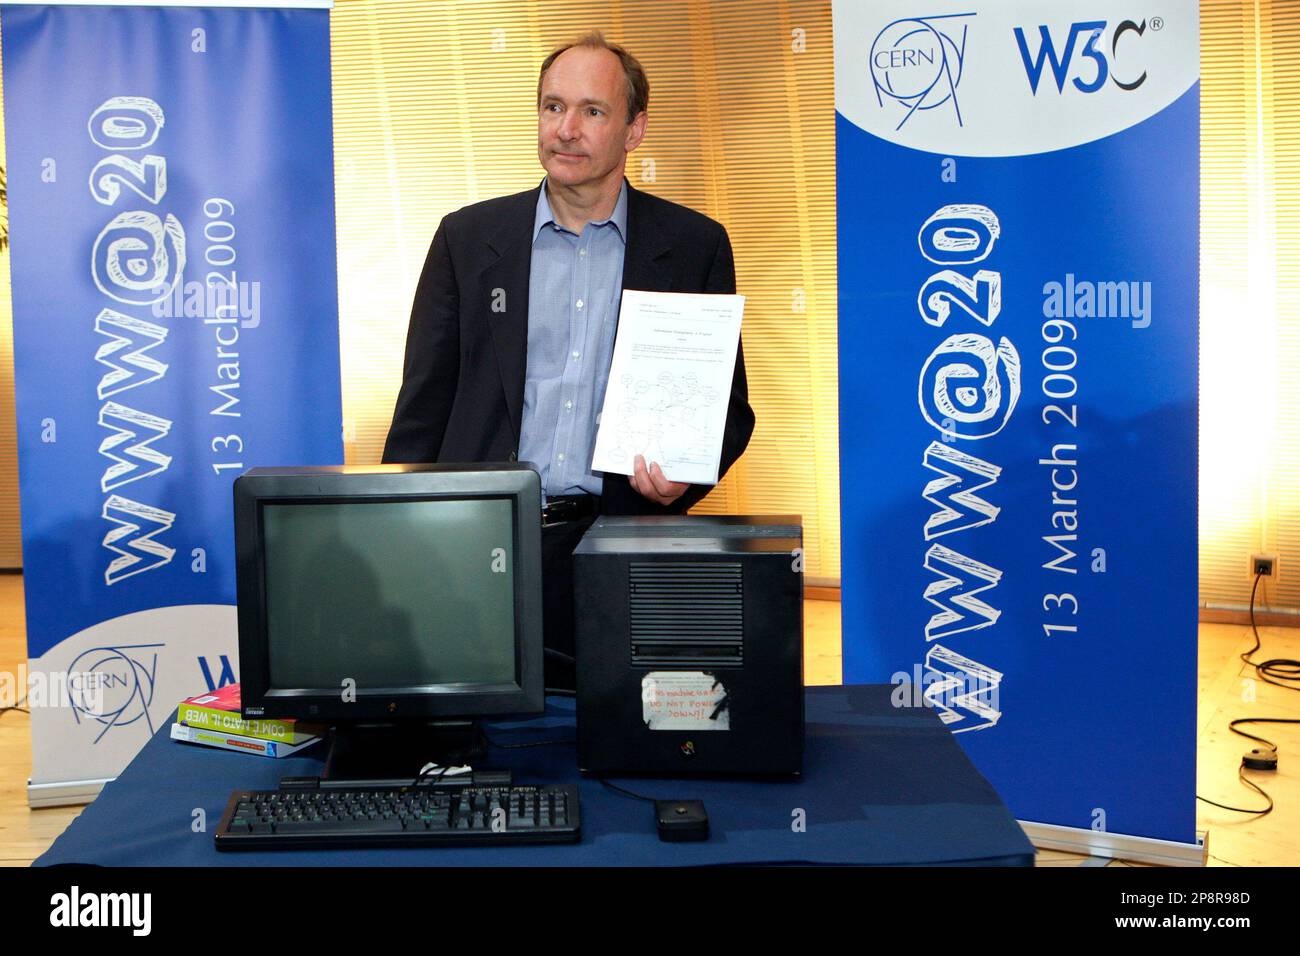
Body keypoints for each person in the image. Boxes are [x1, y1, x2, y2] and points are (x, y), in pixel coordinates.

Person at [383, 31, 755, 689]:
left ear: (634, 129)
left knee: (618, 759)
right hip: (477, 549)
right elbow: (422, 410)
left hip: (623, 549)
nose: (566, 129)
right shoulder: (467, 240)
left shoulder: (694, 245)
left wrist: (686, 479)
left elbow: (728, 411)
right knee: (477, 754)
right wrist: (403, 548)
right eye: (553, 107)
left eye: (592, 111)